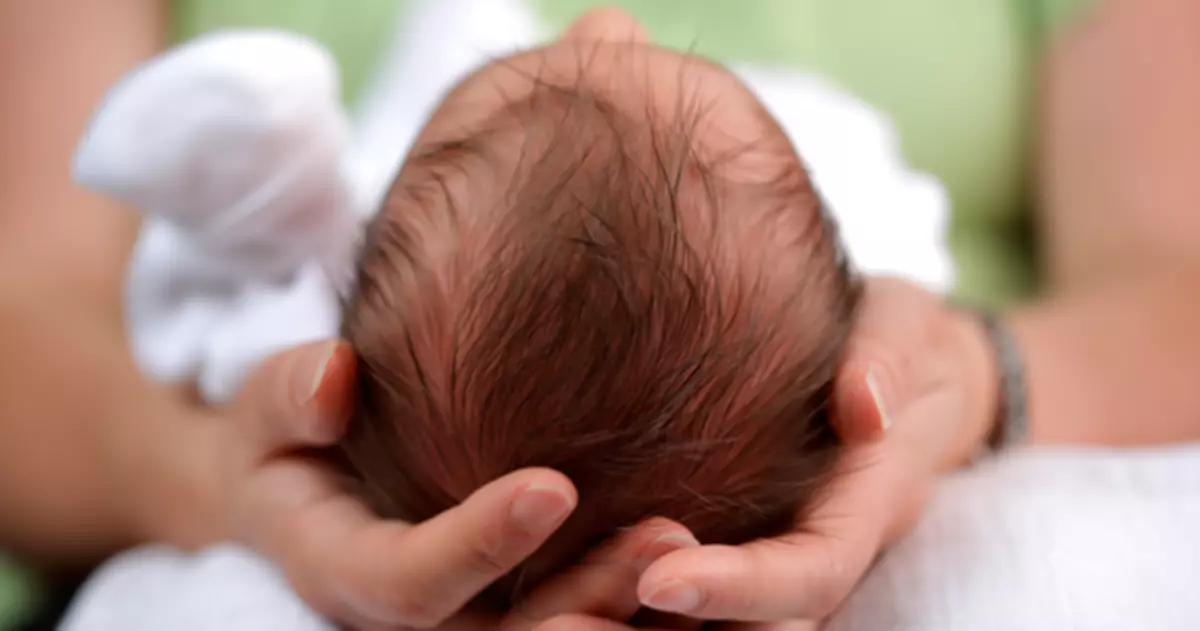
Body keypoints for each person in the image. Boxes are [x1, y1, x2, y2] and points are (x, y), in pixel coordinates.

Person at [5, 0, 1200, 630]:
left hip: (957, 474)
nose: (601, 21)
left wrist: (981, 375)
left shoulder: (286, 222)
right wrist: (224, 476)